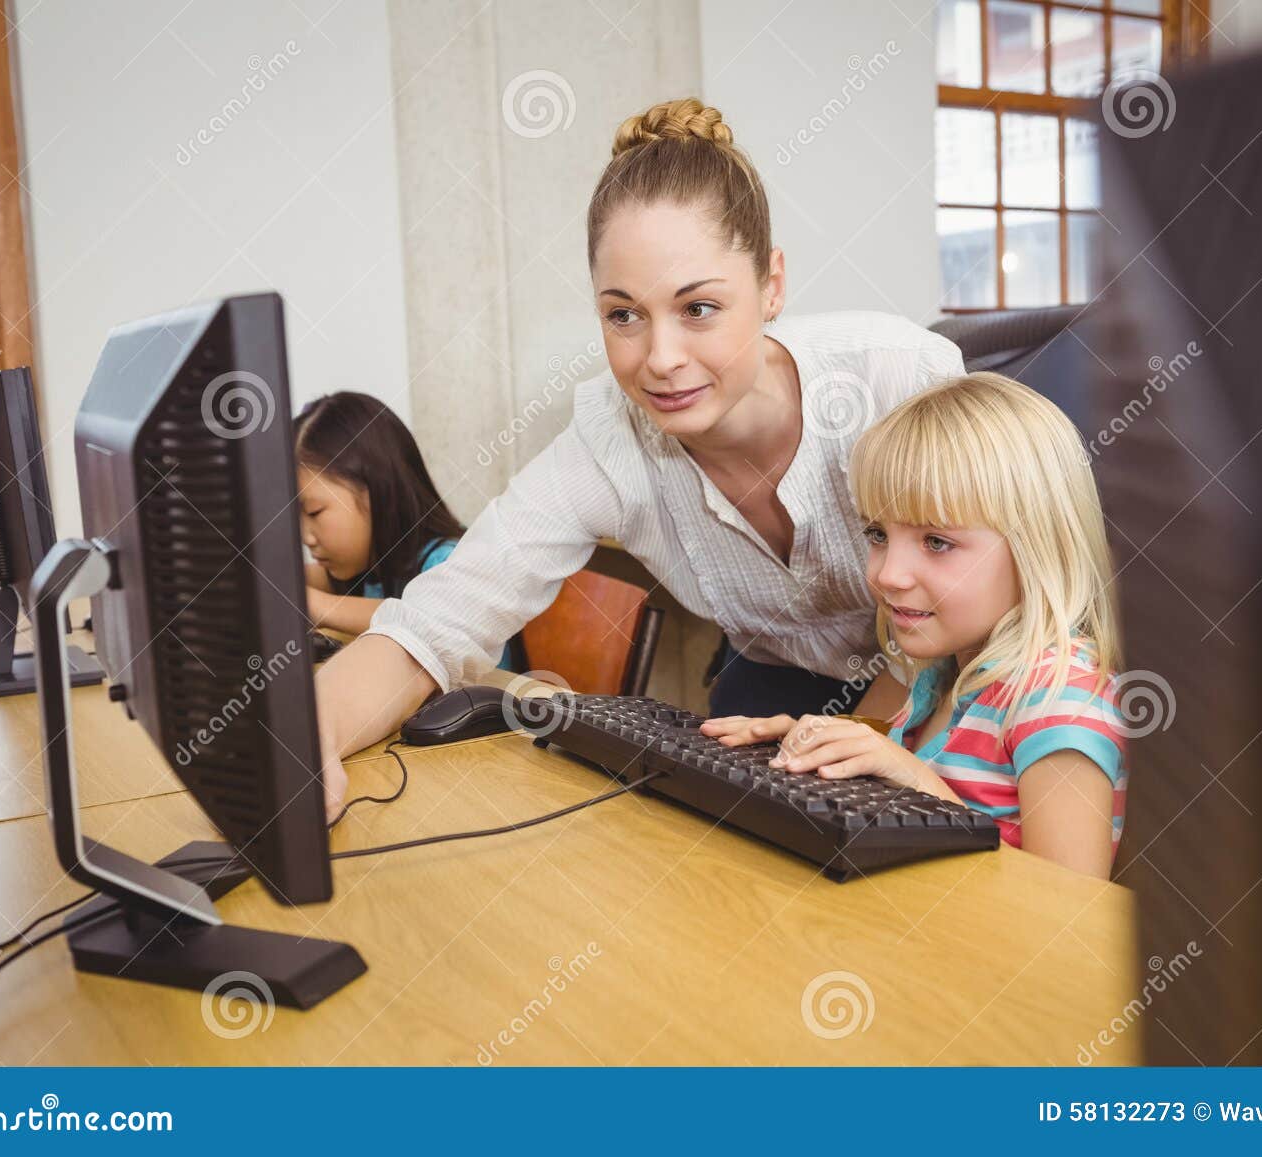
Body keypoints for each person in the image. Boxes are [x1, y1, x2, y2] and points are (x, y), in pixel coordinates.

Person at [313, 97, 965, 821]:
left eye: (699, 309)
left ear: (772, 283)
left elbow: (1015, 592)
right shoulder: (612, 439)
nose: (660, 360)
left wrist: (873, 730)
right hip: (773, 694)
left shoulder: (895, 378)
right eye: (623, 315)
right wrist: (308, 741)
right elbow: (442, 615)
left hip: (946, 690)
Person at [702, 373, 1128, 878]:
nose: (886, 574)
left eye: (936, 542)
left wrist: (913, 779)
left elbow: (1069, 915)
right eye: (878, 534)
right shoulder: (935, 673)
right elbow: (892, 800)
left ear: (1038, 548)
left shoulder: (1060, 701)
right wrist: (814, 748)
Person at [295, 391, 512, 673]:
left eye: (314, 512)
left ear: (378, 491)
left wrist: (321, 607)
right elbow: (283, 581)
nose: (306, 536)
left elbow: (424, 622)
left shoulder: (448, 561)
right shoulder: (365, 566)